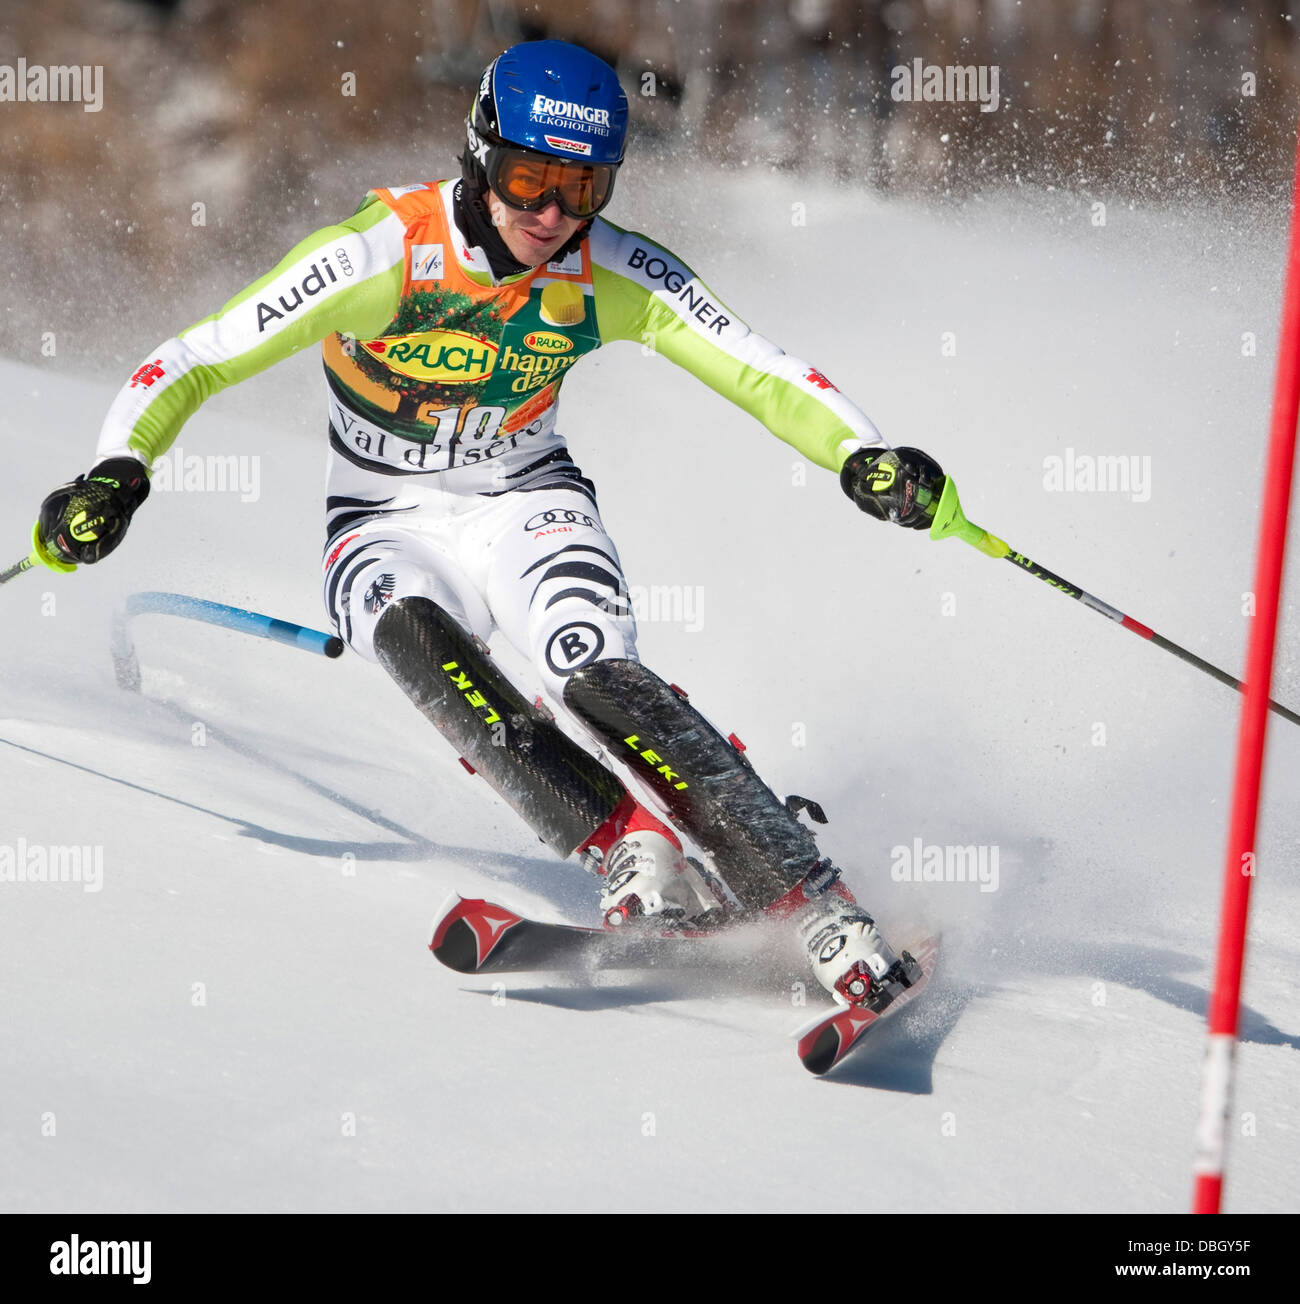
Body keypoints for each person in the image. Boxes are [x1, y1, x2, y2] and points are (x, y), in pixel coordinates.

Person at [34, 39, 945, 1010]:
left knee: (588, 668)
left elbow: (758, 369)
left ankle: (816, 903)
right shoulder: (385, 255)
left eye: (581, 188)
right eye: (527, 178)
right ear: (479, 152)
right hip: (383, 516)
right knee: (420, 643)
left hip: (524, 499)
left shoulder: (603, 272)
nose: (549, 215)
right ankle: (630, 844)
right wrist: (118, 471)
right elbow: (195, 359)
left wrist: (863, 454)